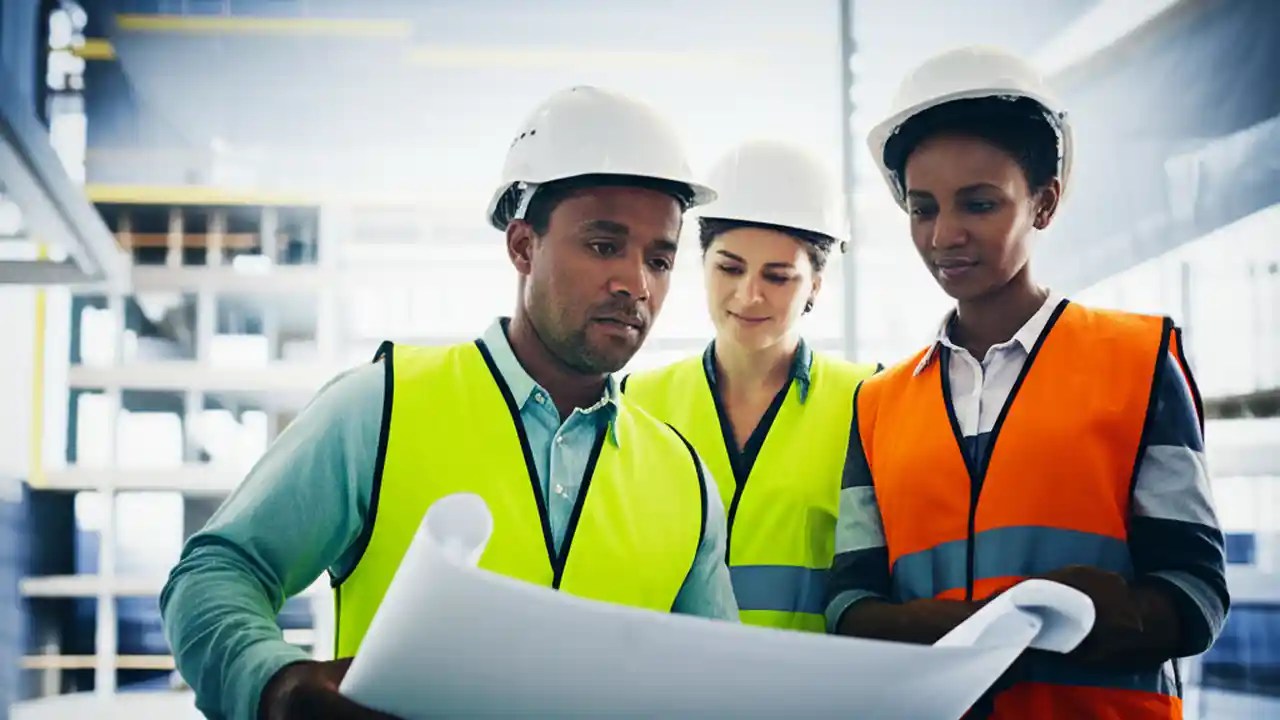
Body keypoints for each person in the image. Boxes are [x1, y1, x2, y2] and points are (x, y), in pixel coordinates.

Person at [160, 86, 740, 720]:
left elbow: (713, 688)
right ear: (523, 246)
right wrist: (274, 684)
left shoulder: (685, 480)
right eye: (603, 246)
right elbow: (218, 571)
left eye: (659, 259)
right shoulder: (380, 408)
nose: (636, 283)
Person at [826, 47, 1229, 718]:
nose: (944, 235)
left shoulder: (1139, 359)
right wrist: (992, 626)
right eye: (922, 209)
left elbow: (1195, 592)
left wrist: (1108, 617)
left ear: (1044, 203)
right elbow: (849, 602)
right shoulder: (878, 403)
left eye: (978, 204)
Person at [623, 140, 880, 632]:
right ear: (701, 266)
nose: (749, 295)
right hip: (675, 695)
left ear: (816, 286)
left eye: (778, 276)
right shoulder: (636, 401)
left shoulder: (867, 400)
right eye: (730, 268)